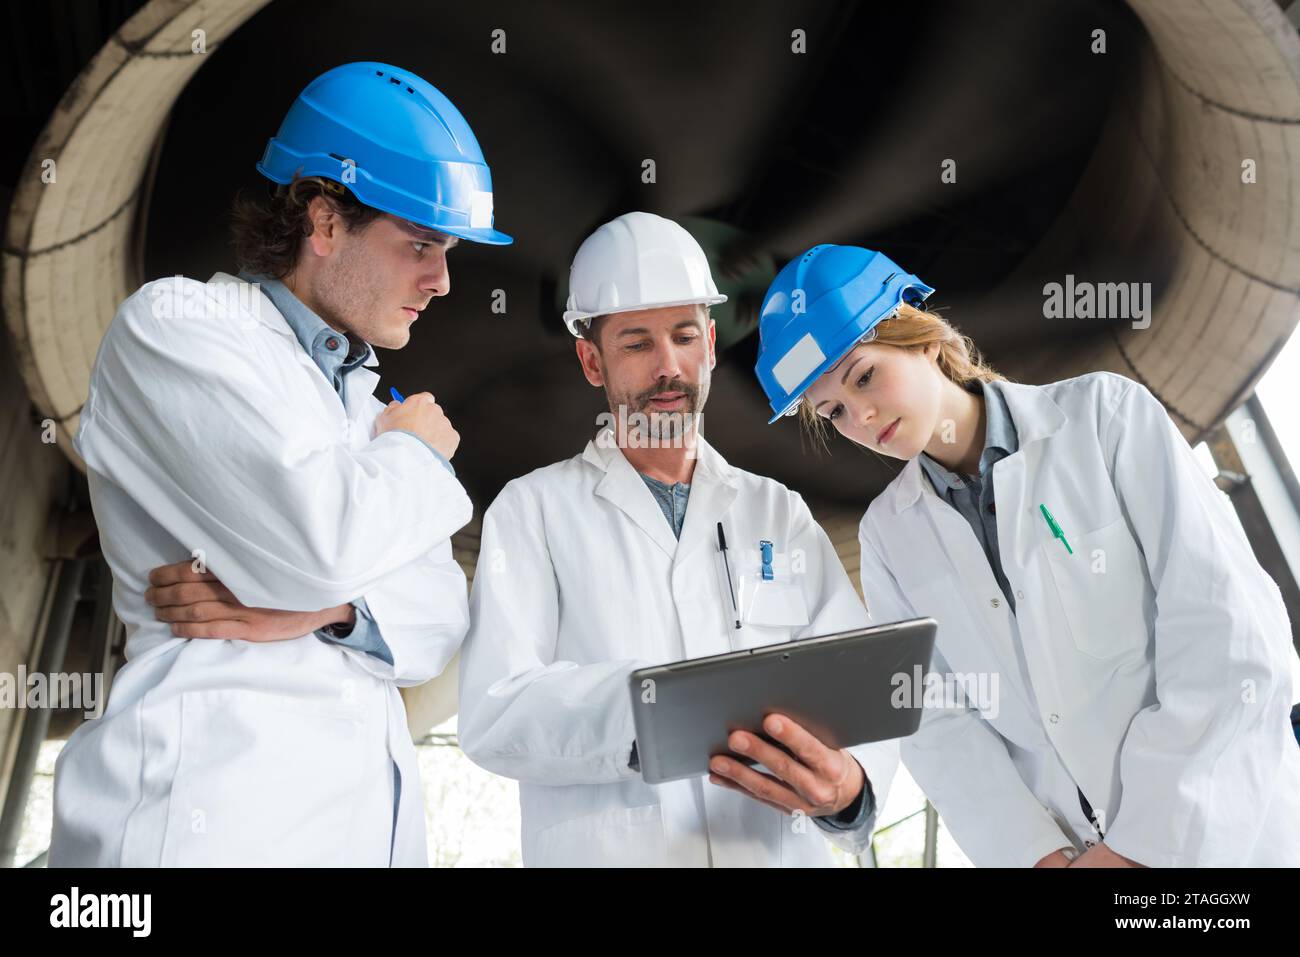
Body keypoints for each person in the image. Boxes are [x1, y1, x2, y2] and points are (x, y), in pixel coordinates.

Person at [49, 61, 511, 867]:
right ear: (325, 224)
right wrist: (415, 454)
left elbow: (439, 617)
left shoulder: (370, 411)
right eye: (421, 245)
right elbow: (319, 546)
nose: (441, 282)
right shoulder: (179, 327)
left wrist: (323, 613)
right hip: (202, 819)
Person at [754, 243, 1300, 867]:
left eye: (863, 376)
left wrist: (1139, 849)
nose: (863, 415)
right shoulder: (887, 536)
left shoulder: (1104, 419)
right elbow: (937, 725)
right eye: (834, 412)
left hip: (1229, 844)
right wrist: (1038, 857)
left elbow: (1228, 634)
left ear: (921, 337)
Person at [457, 212, 898, 867]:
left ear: (712, 345)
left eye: (685, 336)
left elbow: (859, 686)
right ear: (591, 359)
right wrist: (655, 710)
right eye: (636, 343)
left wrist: (850, 789)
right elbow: (495, 714)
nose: (669, 367)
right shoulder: (533, 512)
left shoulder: (777, 512)